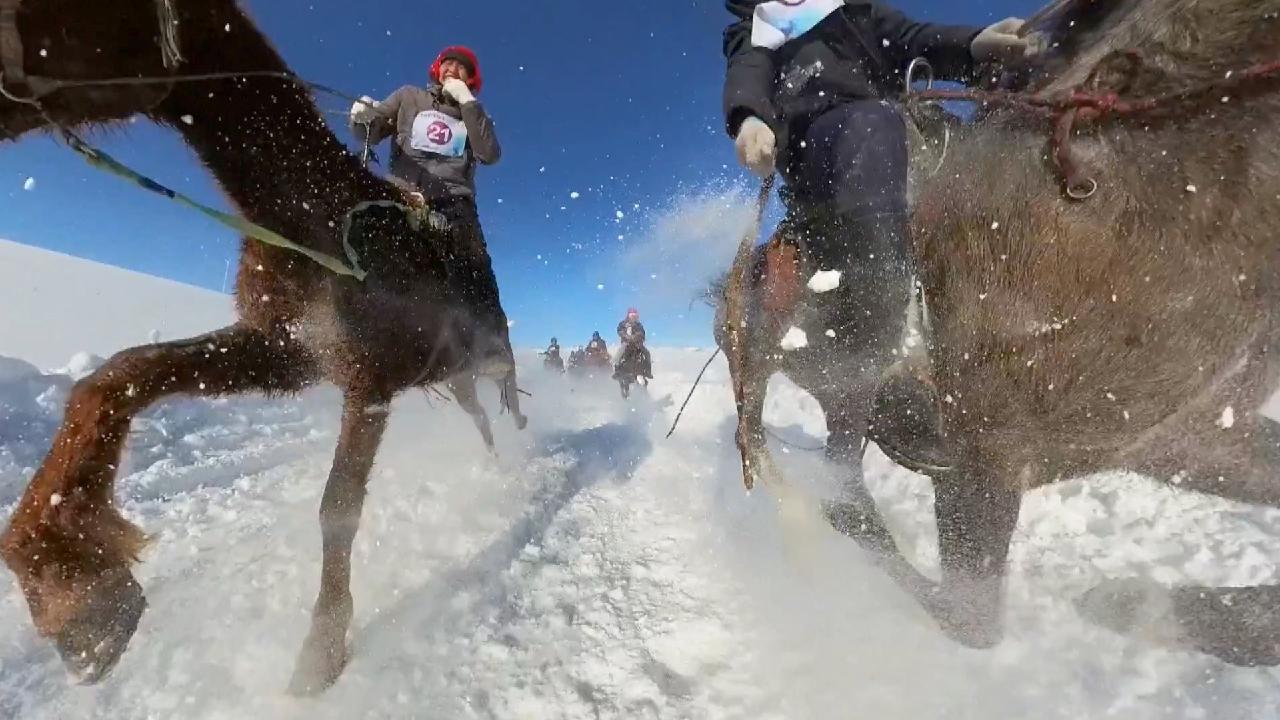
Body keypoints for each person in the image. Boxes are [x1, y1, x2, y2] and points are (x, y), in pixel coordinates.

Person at [723, 1, 1029, 339]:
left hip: (902, 128)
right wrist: (749, 116)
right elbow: (749, 68)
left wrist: (972, 45)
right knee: (870, 127)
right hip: (821, 151)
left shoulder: (854, 10)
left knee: (986, 141)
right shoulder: (761, 25)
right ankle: (886, 324)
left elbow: (911, 38)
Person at [350, 45, 511, 375]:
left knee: (473, 264)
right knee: (367, 249)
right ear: (436, 69)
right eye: (446, 63)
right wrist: (362, 117)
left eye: (461, 66)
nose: (451, 68)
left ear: (471, 78)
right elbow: (372, 131)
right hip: (402, 195)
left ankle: (491, 349)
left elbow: (489, 153)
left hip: (454, 201)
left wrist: (468, 103)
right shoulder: (409, 96)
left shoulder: (473, 114)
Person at [614, 308, 652, 380]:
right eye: (632, 315)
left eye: (634, 316)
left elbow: (642, 333)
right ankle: (617, 371)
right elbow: (619, 330)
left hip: (637, 343)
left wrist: (637, 336)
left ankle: (648, 371)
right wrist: (625, 336)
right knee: (619, 353)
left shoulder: (639, 325)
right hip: (626, 343)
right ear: (628, 315)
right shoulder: (623, 323)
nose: (633, 317)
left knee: (647, 353)